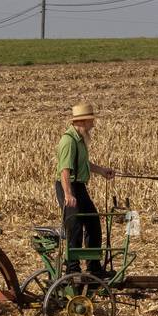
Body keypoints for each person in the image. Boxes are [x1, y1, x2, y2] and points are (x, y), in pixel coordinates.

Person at [55, 103, 115, 276]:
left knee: (93, 222)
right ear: (81, 121)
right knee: (74, 226)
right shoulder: (68, 141)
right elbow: (64, 170)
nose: (93, 124)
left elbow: (83, 164)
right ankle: (72, 270)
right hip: (69, 186)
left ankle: (94, 268)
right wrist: (68, 194)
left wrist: (102, 171)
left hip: (79, 186)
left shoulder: (80, 140)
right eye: (91, 121)